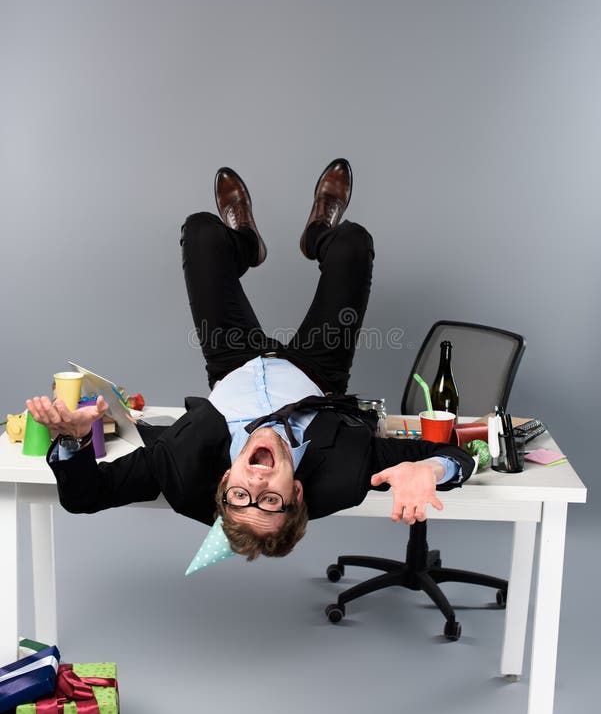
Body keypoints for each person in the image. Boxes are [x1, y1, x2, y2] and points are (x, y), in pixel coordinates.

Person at [26, 159, 475, 561]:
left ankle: (244, 242)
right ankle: (320, 232)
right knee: (353, 244)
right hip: (316, 370)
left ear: (224, 481)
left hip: (233, 361)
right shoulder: (348, 472)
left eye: (240, 497)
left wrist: (72, 440)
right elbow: (463, 453)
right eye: (271, 502)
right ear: (296, 493)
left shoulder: (181, 470)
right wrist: (430, 468)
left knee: (202, 231)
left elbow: (85, 496)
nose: (256, 488)